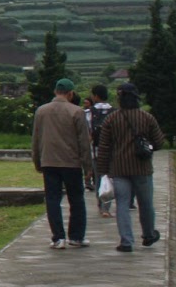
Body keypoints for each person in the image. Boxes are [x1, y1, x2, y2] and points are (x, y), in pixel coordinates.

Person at [96, 82, 167, 252]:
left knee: (122, 204)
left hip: (119, 168)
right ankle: (149, 234)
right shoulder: (146, 117)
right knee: (146, 203)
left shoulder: (111, 119)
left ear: (119, 98)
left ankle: (126, 241)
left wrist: (103, 171)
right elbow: (159, 142)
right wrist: (147, 146)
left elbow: (104, 147)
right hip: (142, 168)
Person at [31, 78, 95, 249]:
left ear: (55, 92)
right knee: (76, 199)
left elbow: (36, 139)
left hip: (49, 161)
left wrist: (37, 161)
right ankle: (76, 236)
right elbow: (83, 142)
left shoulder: (41, 111)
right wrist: (88, 167)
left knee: (52, 199)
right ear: (70, 93)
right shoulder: (76, 111)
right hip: (71, 162)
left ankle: (58, 237)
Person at [86, 84, 116, 217]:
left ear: (95, 96)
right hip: (112, 152)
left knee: (98, 178)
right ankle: (106, 207)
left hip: (96, 151)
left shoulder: (88, 113)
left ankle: (100, 204)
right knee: (109, 178)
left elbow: (87, 135)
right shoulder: (115, 112)